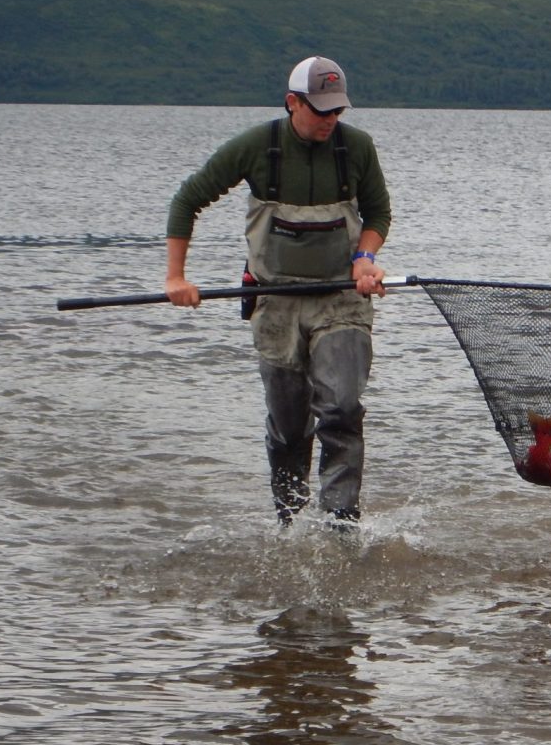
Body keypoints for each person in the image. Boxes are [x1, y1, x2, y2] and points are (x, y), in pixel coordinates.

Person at [165, 56, 392, 527]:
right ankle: (290, 523)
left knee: (342, 409)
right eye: (320, 110)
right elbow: (187, 200)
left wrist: (365, 258)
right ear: (292, 102)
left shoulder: (358, 149)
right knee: (289, 427)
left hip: (341, 300)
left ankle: (340, 524)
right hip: (276, 303)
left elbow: (378, 215)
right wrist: (176, 278)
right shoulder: (256, 147)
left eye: (338, 111)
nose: (331, 120)